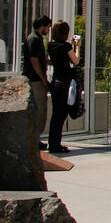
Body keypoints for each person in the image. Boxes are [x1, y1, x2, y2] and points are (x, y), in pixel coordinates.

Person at [46, 22, 80, 154]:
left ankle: (53, 142)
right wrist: (77, 47)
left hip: (55, 82)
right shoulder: (66, 46)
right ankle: (55, 145)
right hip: (65, 84)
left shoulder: (51, 45)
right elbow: (75, 61)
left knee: (56, 115)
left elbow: (60, 58)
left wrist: (71, 46)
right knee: (61, 115)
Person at [22, 16, 52, 151]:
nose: (49, 30)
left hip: (35, 79)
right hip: (35, 80)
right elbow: (35, 62)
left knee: (39, 111)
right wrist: (43, 79)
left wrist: (51, 62)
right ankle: (34, 140)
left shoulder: (36, 38)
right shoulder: (34, 39)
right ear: (43, 26)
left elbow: (40, 59)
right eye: (48, 27)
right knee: (40, 111)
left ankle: (35, 140)